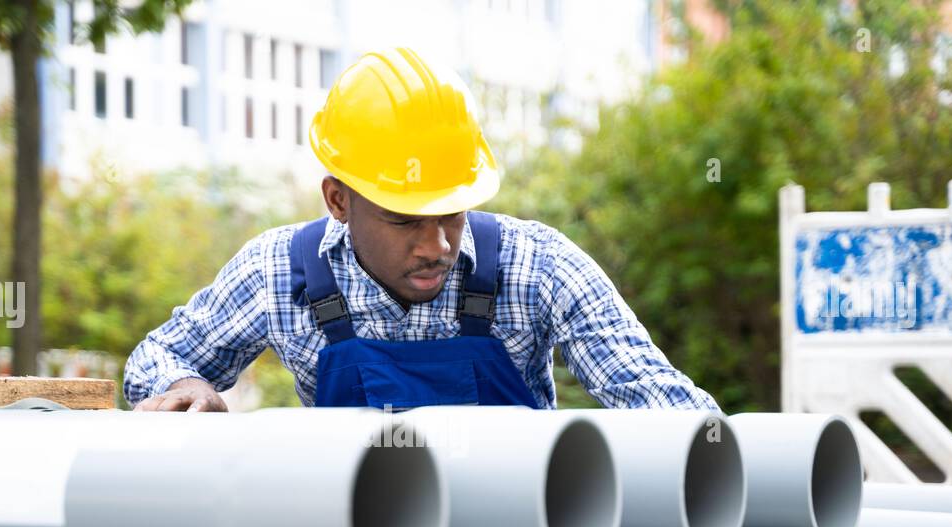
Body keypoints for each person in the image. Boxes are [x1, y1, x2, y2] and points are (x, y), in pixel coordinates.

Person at [124, 47, 718, 414]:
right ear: (338, 199)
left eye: (451, 214)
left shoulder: (540, 267)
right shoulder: (281, 273)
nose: (436, 246)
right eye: (405, 219)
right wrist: (183, 384)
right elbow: (157, 356)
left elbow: (659, 401)